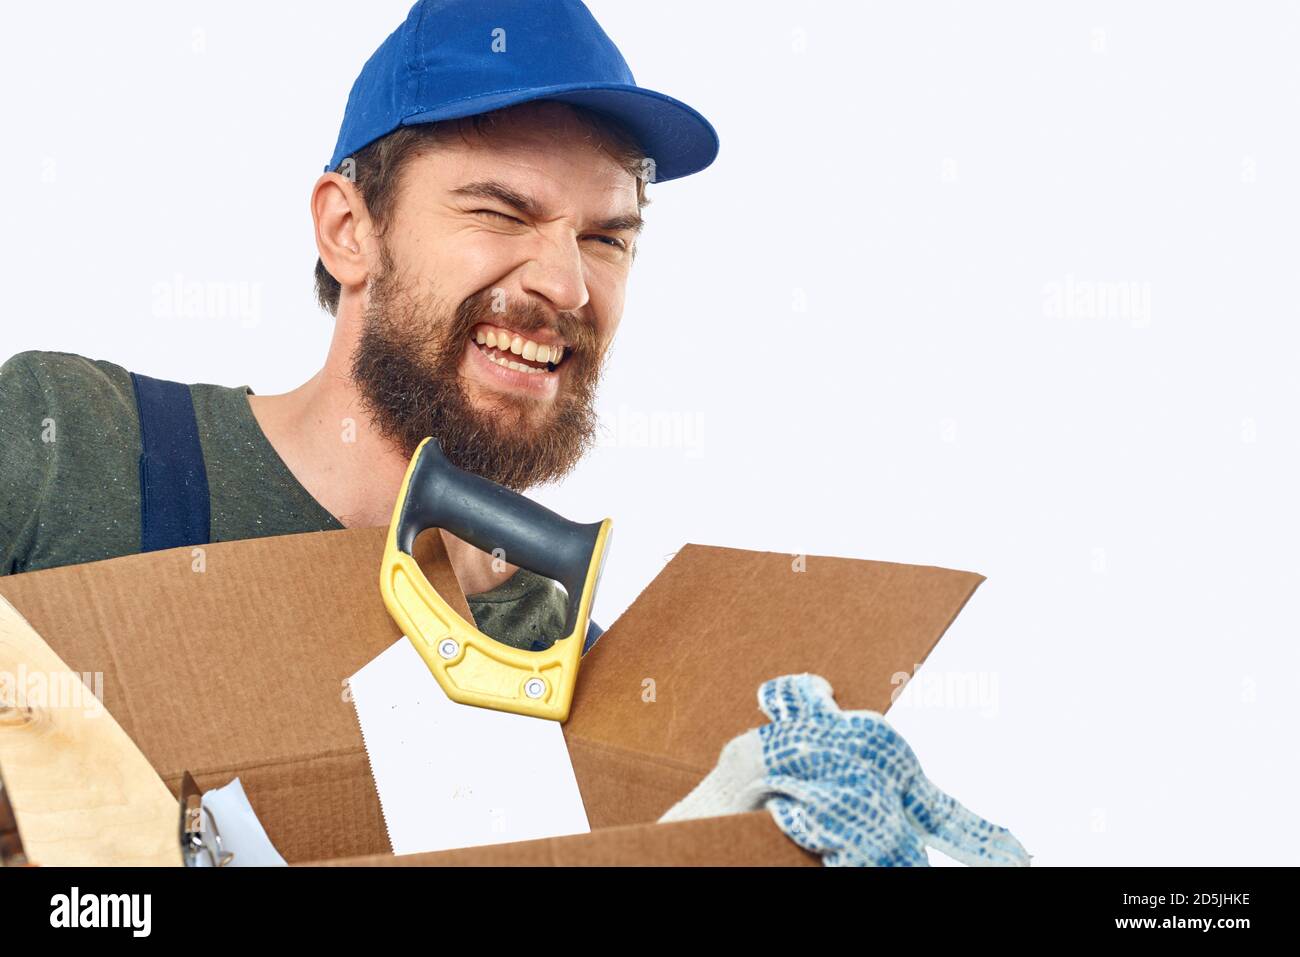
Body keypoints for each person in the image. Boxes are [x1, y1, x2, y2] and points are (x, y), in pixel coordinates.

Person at [0, 0, 719, 649]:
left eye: (606, 239)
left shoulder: (577, 675)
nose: (565, 285)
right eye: (501, 213)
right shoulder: (69, 449)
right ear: (348, 230)